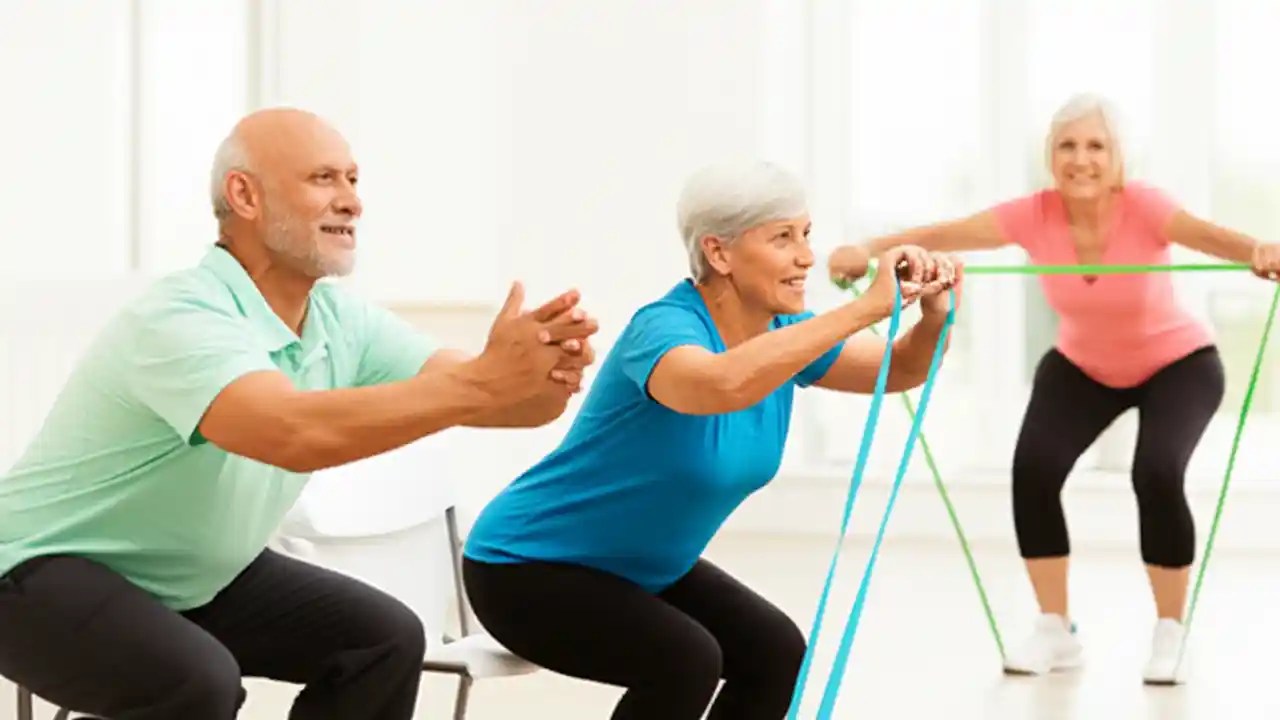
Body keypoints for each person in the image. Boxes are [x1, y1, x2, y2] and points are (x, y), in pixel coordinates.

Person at [0, 107, 599, 720]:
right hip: (35, 572)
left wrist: (544, 372)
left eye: (354, 179)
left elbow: (497, 398)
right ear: (245, 195)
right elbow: (292, 431)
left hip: (190, 578)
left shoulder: (340, 322)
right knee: (196, 681)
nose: (352, 201)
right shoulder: (181, 317)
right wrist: (487, 381)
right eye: (324, 178)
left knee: (383, 639)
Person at [460, 160, 962, 719]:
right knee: (683, 659)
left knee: (776, 653)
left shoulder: (784, 334)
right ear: (719, 253)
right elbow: (717, 384)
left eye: (806, 235)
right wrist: (863, 308)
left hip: (638, 567)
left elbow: (897, 369)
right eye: (782, 238)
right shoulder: (664, 329)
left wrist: (936, 318)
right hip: (525, 567)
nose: (805, 256)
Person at [827, 93, 1280, 685]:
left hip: (1178, 363)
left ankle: (1171, 632)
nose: (1081, 158)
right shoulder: (1032, 215)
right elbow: (945, 232)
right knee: (1034, 470)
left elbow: (1208, 237)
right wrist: (869, 250)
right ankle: (1055, 630)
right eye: (1067, 145)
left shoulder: (1144, 206)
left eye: (1096, 146)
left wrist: (1257, 251)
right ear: (1050, 156)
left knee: (1157, 473)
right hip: (1082, 365)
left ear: (1118, 159)